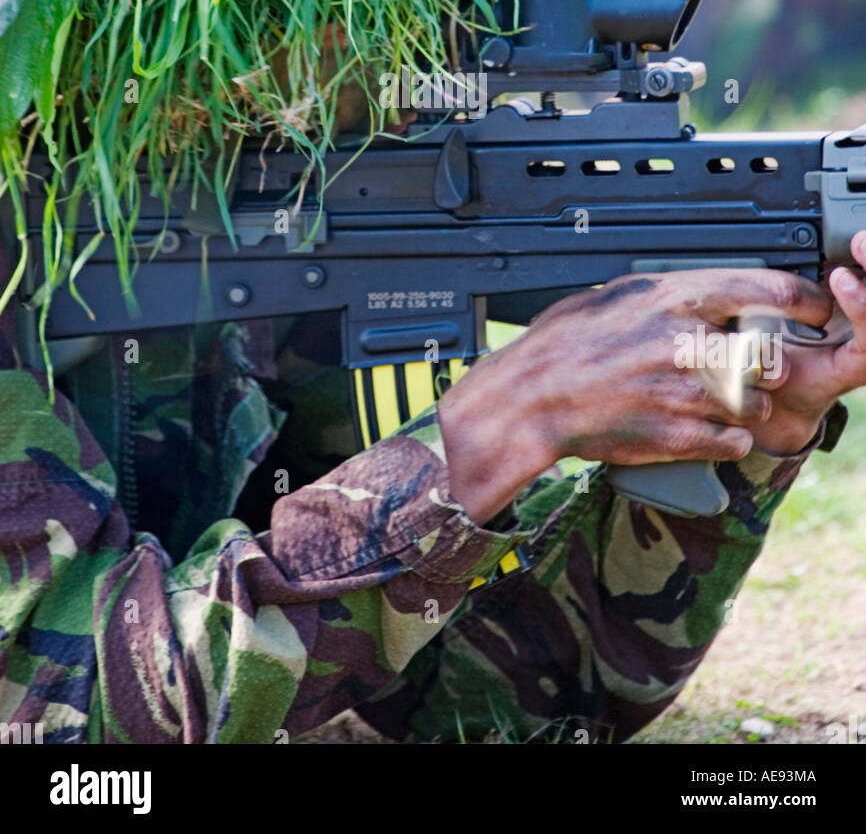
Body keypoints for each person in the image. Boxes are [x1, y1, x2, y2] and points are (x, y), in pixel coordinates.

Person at [0, 230, 863, 745]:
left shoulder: (287, 229)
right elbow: (67, 722)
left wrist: (737, 428)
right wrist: (498, 427)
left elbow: (505, 693)